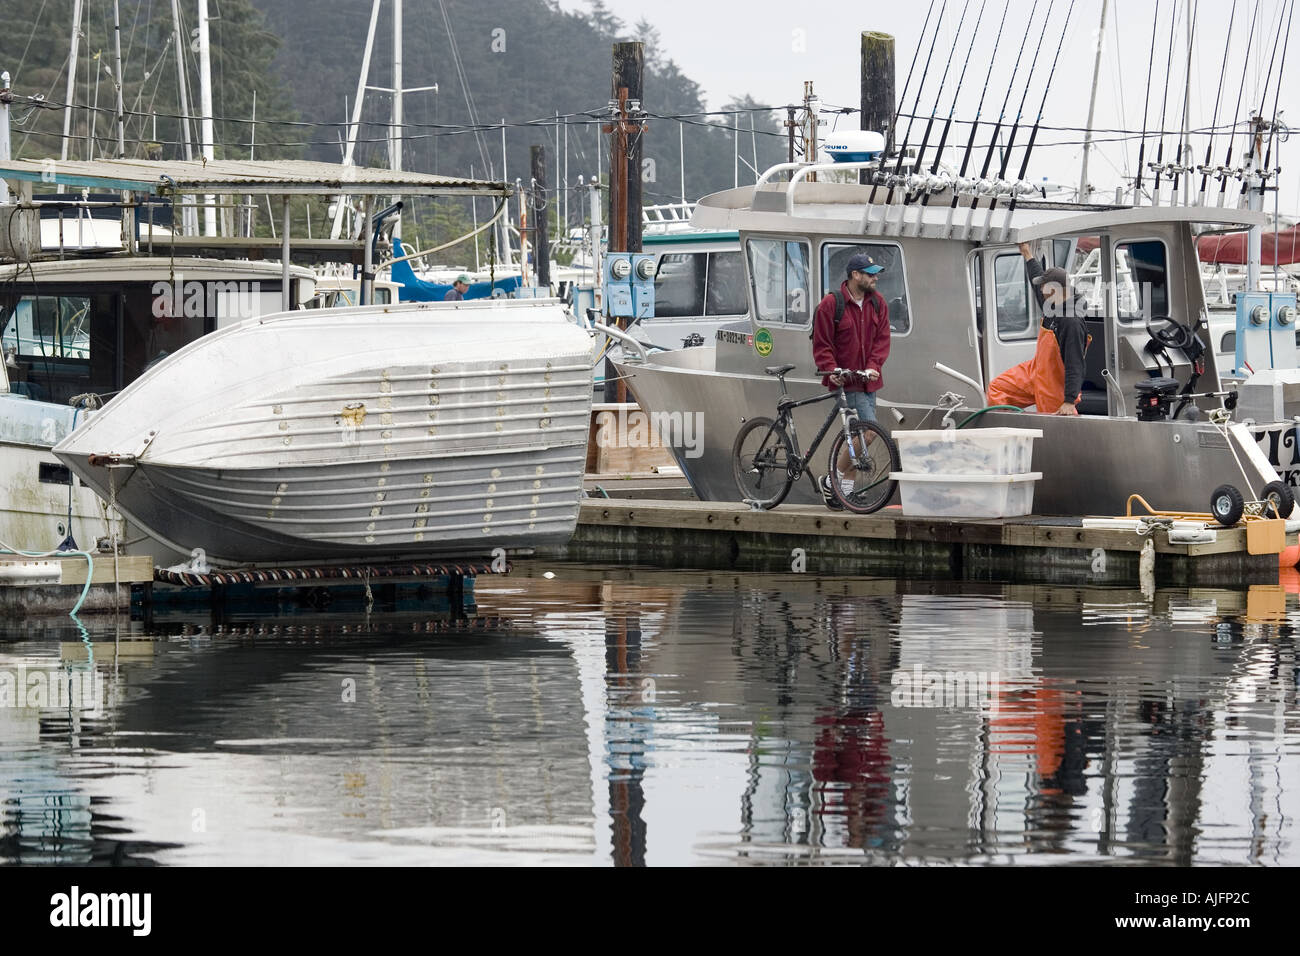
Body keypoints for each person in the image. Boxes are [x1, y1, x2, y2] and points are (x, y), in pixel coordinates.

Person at [812, 252, 891, 508]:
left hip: (868, 381)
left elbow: (882, 341)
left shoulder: (878, 303)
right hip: (845, 382)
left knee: (856, 437)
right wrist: (831, 369)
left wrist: (873, 366)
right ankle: (834, 483)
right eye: (870, 274)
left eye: (875, 273)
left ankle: (838, 488)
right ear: (855, 275)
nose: (875, 278)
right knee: (866, 434)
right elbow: (822, 344)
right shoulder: (830, 304)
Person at [986, 243, 1088, 415]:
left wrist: (1069, 400)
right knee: (998, 389)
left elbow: (1075, 364)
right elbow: (1036, 279)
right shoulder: (1052, 302)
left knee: (1054, 427)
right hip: (1035, 371)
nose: (1041, 289)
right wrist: (1027, 254)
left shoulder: (1072, 323)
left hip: (1054, 385)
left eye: (1044, 286)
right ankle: (1013, 436)